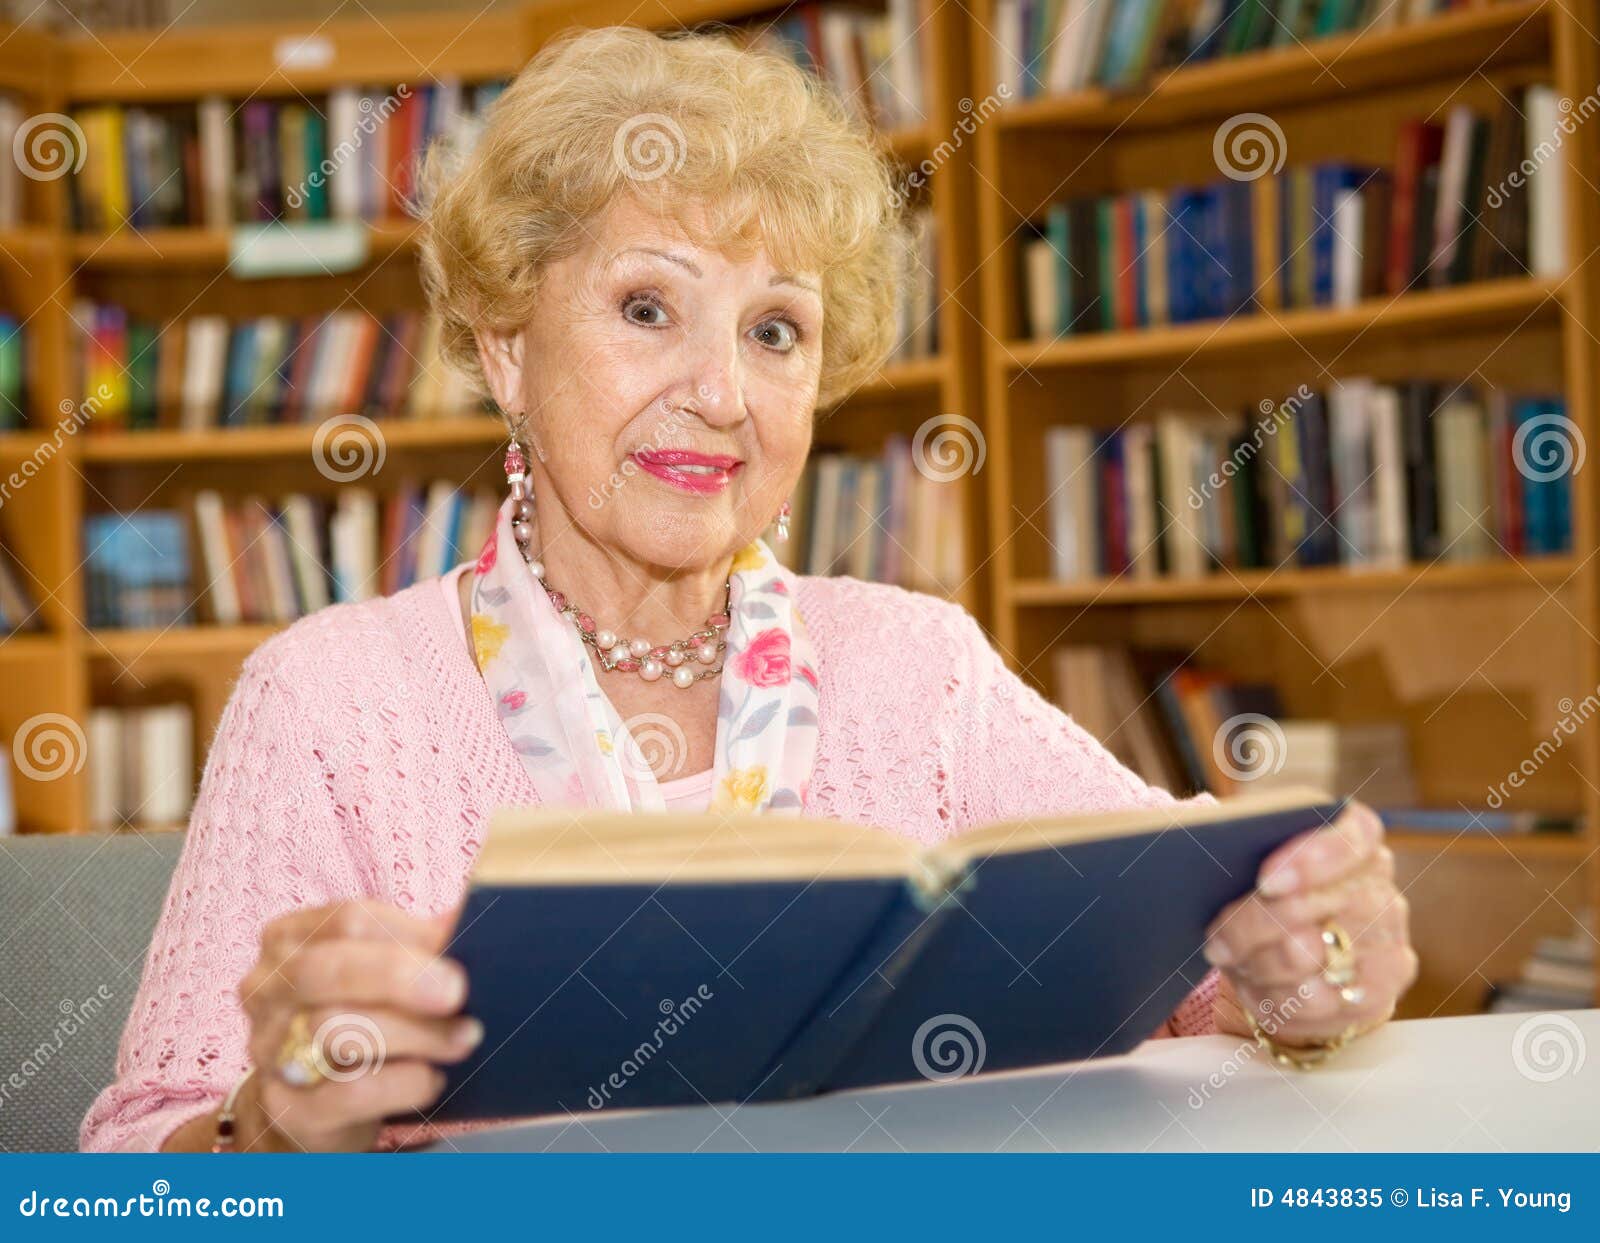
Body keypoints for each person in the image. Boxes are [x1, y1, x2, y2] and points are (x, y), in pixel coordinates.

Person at [81, 25, 1415, 1153]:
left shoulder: (919, 667)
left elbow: (1204, 976)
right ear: (503, 351)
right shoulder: (328, 698)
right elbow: (135, 1171)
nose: (721, 394)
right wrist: (269, 1119)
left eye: (775, 329)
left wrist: (1303, 966)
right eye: (648, 307)